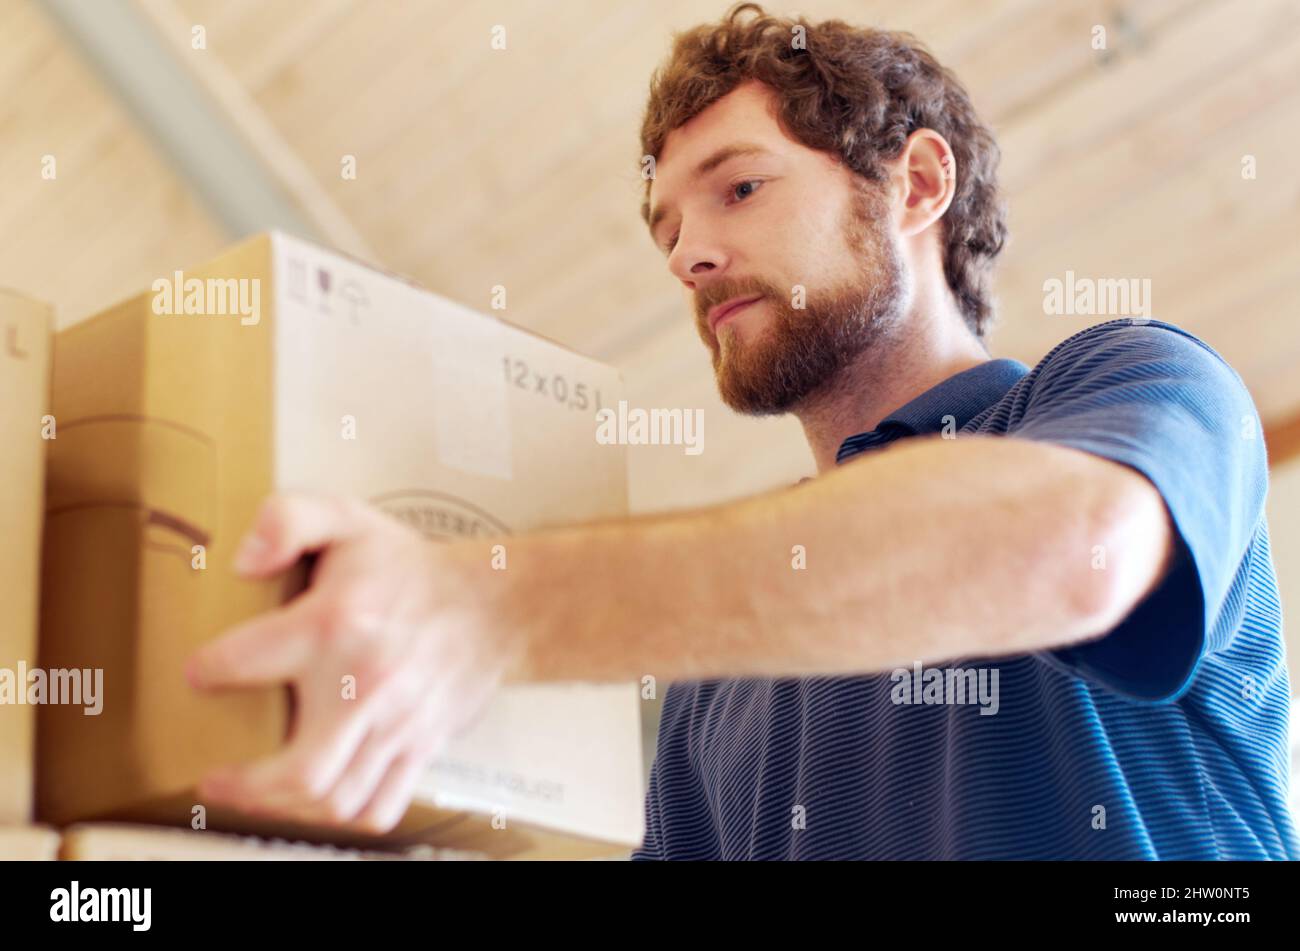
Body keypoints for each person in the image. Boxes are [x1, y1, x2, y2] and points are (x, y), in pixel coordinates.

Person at [184, 4, 1297, 859]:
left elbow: (1072, 549)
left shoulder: (1137, 383)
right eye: (666, 227)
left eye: (740, 189)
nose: (685, 256)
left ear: (914, 185)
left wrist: (478, 607)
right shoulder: (711, 686)